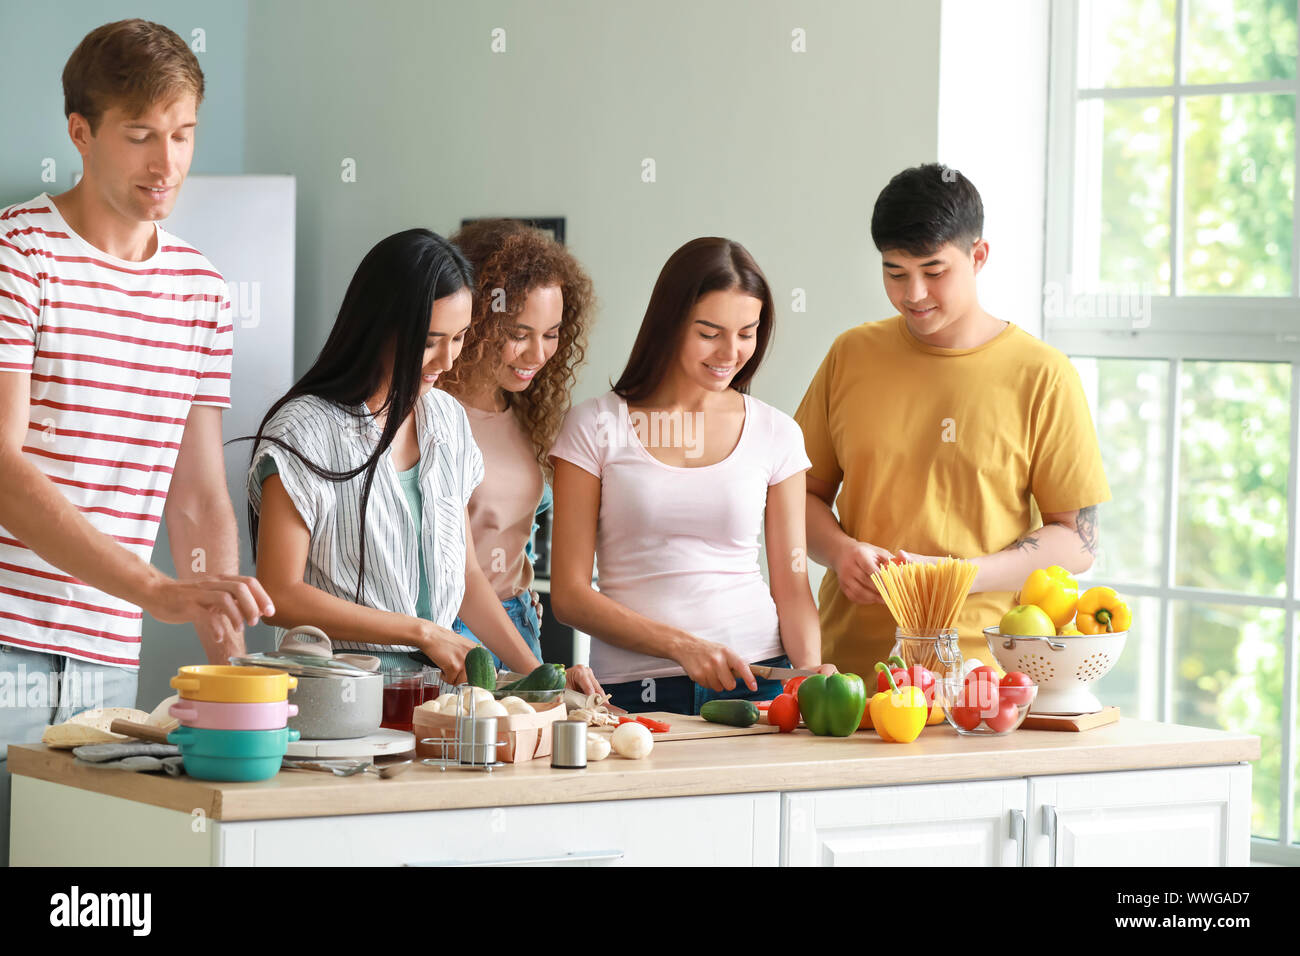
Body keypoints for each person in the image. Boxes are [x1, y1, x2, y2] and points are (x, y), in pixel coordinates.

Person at [0, 20, 271, 866]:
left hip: (105, 655)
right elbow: (3, 470)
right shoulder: (18, 255)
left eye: (184, 134)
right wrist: (155, 587)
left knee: (71, 872)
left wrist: (232, 664)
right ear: (81, 133)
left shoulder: (202, 292)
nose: (167, 164)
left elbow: (196, 496)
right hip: (6, 630)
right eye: (141, 135)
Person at [795, 163, 1111, 675]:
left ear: (977, 255)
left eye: (934, 271)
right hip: (848, 674)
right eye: (894, 272)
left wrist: (956, 576)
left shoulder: (1043, 375)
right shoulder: (851, 354)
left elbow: (1078, 540)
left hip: (986, 676)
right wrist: (839, 552)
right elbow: (798, 495)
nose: (913, 294)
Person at [247, 228, 593, 691]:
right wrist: (423, 632)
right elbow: (279, 593)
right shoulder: (304, 429)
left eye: (460, 338)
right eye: (431, 341)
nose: (447, 361)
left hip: (439, 697)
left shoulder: (447, 420)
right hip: (341, 697)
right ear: (379, 326)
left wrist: (537, 677)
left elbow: (467, 579)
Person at [549, 237, 832, 715]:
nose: (730, 351)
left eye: (748, 332)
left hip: (759, 678)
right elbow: (570, 596)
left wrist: (809, 673)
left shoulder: (776, 432)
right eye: (709, 332)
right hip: (634, 689)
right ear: (670, 322)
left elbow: (792, 580)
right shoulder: (595, 426)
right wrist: (683, 646)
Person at [438, 219, 601, 694]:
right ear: (477, 321)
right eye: (518, 333)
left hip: (517, 622)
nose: (537, 353)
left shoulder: (529, 411)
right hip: (451, 631)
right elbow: (461, 575)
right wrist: (539, 675)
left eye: (551, 334)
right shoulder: (432, 411)